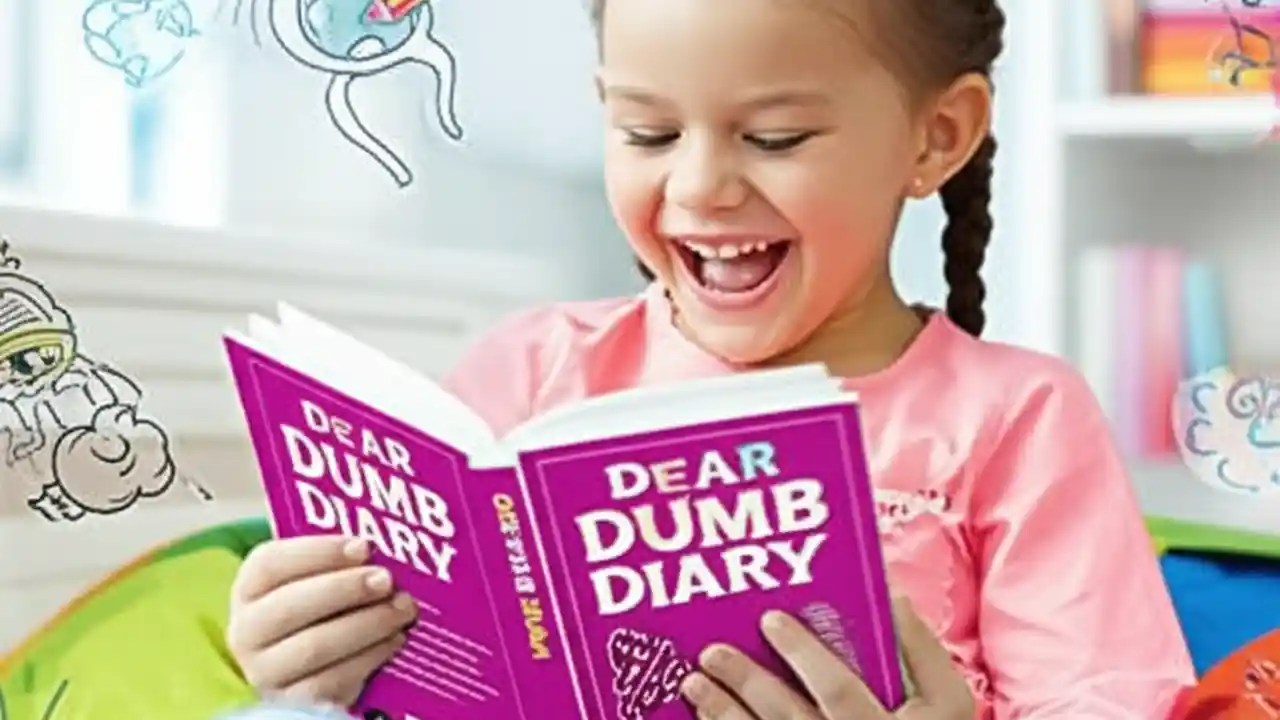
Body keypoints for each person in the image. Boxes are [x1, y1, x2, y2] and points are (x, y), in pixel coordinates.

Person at [224, 0, 1197, 716]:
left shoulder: (1014, 416)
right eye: (645, 131)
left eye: (773, 137)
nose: (698, 185)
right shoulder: (526, 370)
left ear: (934, 137)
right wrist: (305, 654)